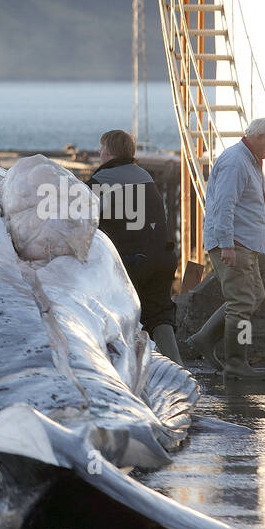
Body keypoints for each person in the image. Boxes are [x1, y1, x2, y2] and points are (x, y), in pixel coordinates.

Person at [184, 118, 265, 380]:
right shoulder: (236, 162)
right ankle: (238, 362)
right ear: (258, 137)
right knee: (242, 303)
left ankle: (204, 338)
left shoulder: (248, 160)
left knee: (254, 296)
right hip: (234, 245)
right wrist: (227, 244)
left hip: (245, 244)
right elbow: (223, 205)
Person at [88, 129, 182, 362]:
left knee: (118, 310)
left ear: (108, 152)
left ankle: (124, 369)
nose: (99, 152)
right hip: (163, 257)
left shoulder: (103, 180)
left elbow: (78, 216)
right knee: (159, 314)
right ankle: (177, 365)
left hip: (133, 260)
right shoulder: (145, 175)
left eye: (102, 148)